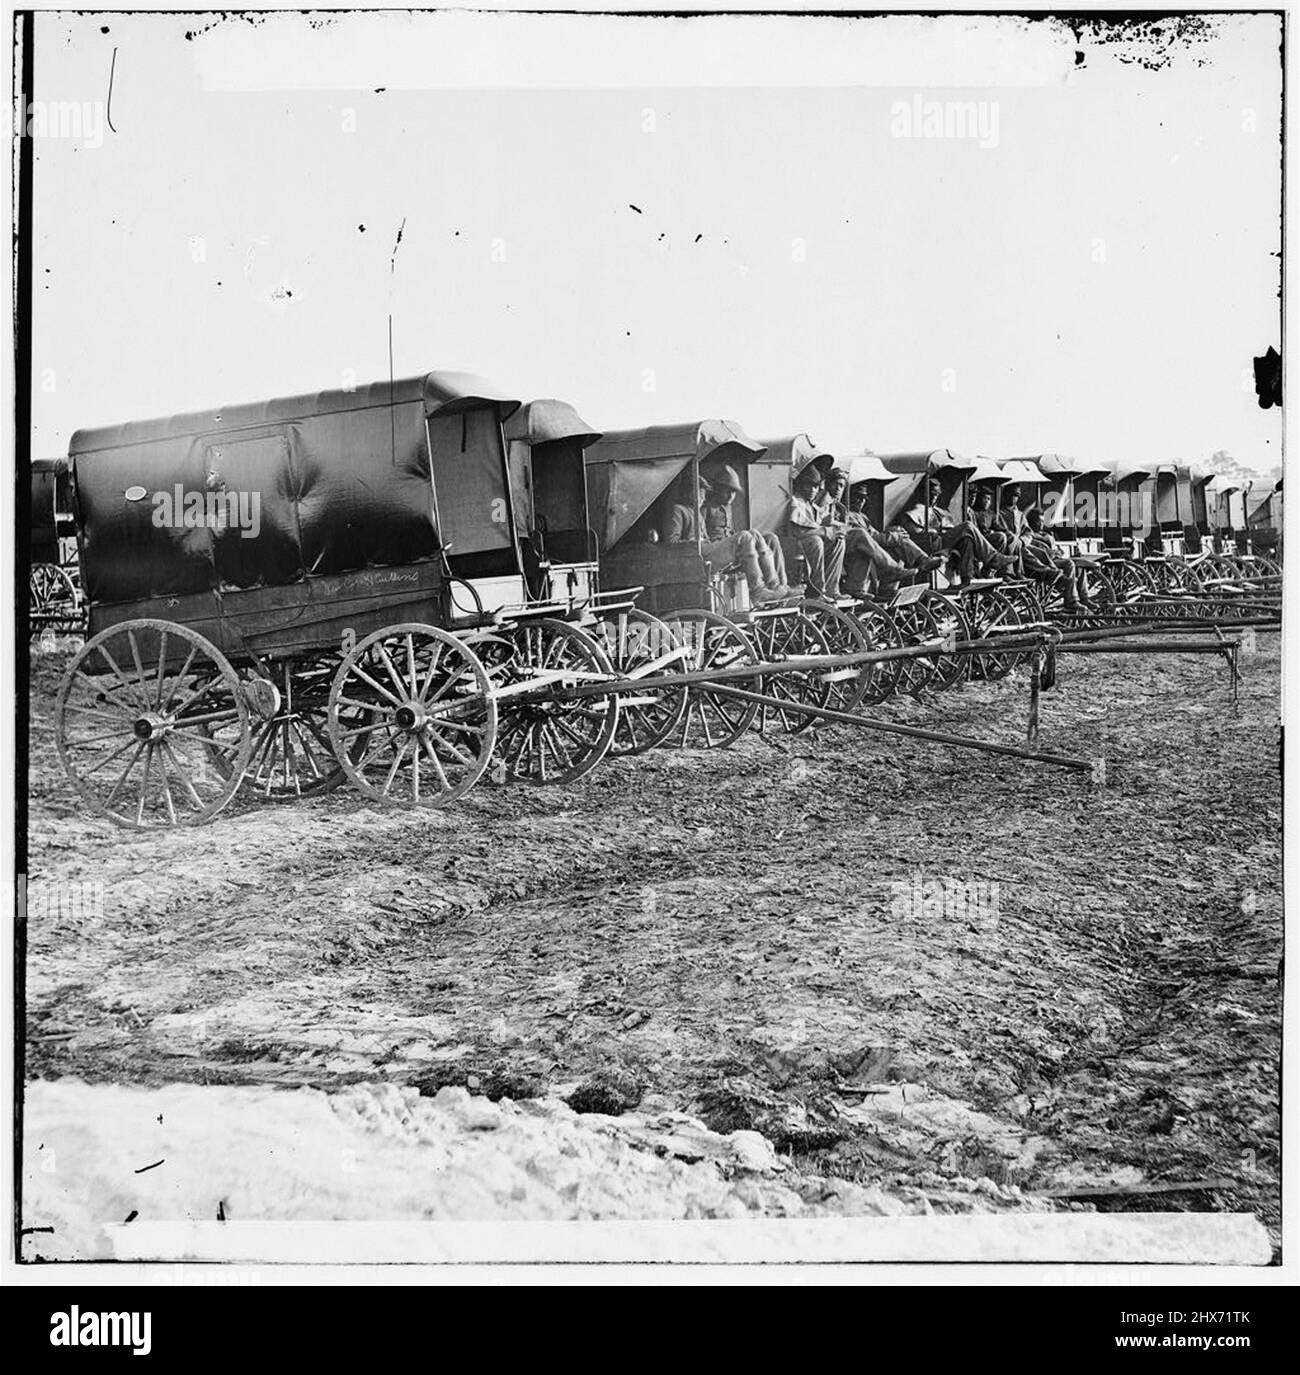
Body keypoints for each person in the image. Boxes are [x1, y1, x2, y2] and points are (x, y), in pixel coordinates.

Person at [665, 462, 795, 603]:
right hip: (696, 557)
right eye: (699, 492)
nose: (703, 496)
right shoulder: (679, 510)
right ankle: (757, 590)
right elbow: (671, 543)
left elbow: (708, 537)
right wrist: (695, 543)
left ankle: (776, 586)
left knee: (756, 534)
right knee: (745, 536)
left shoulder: (697, 513)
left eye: (704, 492)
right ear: (688, 492)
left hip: (706, 551)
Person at [897, 476, 1015, 584]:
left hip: (944, 540)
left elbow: (950, 526)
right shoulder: (913, 512)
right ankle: (993, 558)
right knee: (967, 526)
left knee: (967, 539)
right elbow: (913, 533)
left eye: (937, 494)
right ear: (923, 493)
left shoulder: (939, 511)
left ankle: (967, 577)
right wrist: (931, 531)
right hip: (931, 544)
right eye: (931, 493)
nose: (934, 497)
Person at [841, 476, 942, 597]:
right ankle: (898, 571)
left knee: (897, 534)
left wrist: (894, 533)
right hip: (855, 559)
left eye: (863, 498)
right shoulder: (845, 516)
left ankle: (922, 560)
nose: (861, 501)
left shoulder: (862, 517)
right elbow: (868, 539)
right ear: (849, 497)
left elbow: (875, 536)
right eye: (857, 497)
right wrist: (895, 537)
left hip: (873, 556)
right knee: (896, 538)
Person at [1023, 506, 1087, 609]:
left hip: (1054, 559)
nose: (1041, 524)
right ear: (1032, 522)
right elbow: (1036, 551)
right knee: (1069, 564)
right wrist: (1051, 553)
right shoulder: (1029, 535)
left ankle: (1084, 598)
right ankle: (1070, 599)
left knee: (1080, 565)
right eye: (1039, 522)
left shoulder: (1047, 534)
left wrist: (1058, 552)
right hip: (1043, 563)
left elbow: (1058, 550)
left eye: (1043, 522)